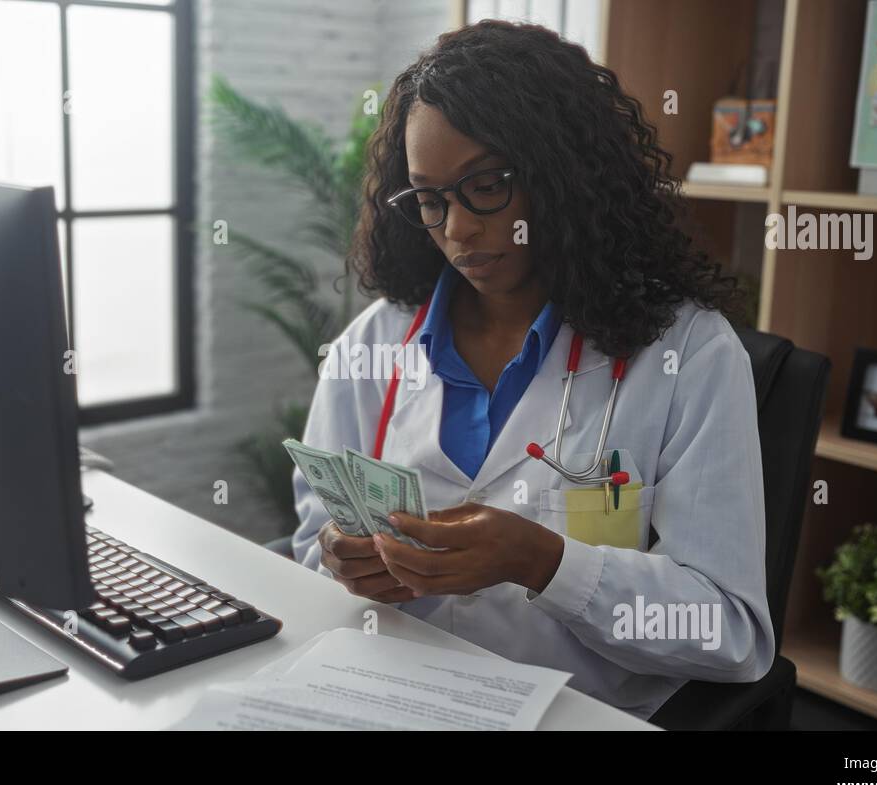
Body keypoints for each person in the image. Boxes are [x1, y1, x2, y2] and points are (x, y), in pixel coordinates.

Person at [289, 19, 774, 719]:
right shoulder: (378, 343)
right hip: (392, 699)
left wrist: (546, 562)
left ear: (564, 175)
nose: (457, 229)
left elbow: (729, 630)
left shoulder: (689, 354)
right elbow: (309, 544)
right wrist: (341, 559)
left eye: (486, 184)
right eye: (430, 198)